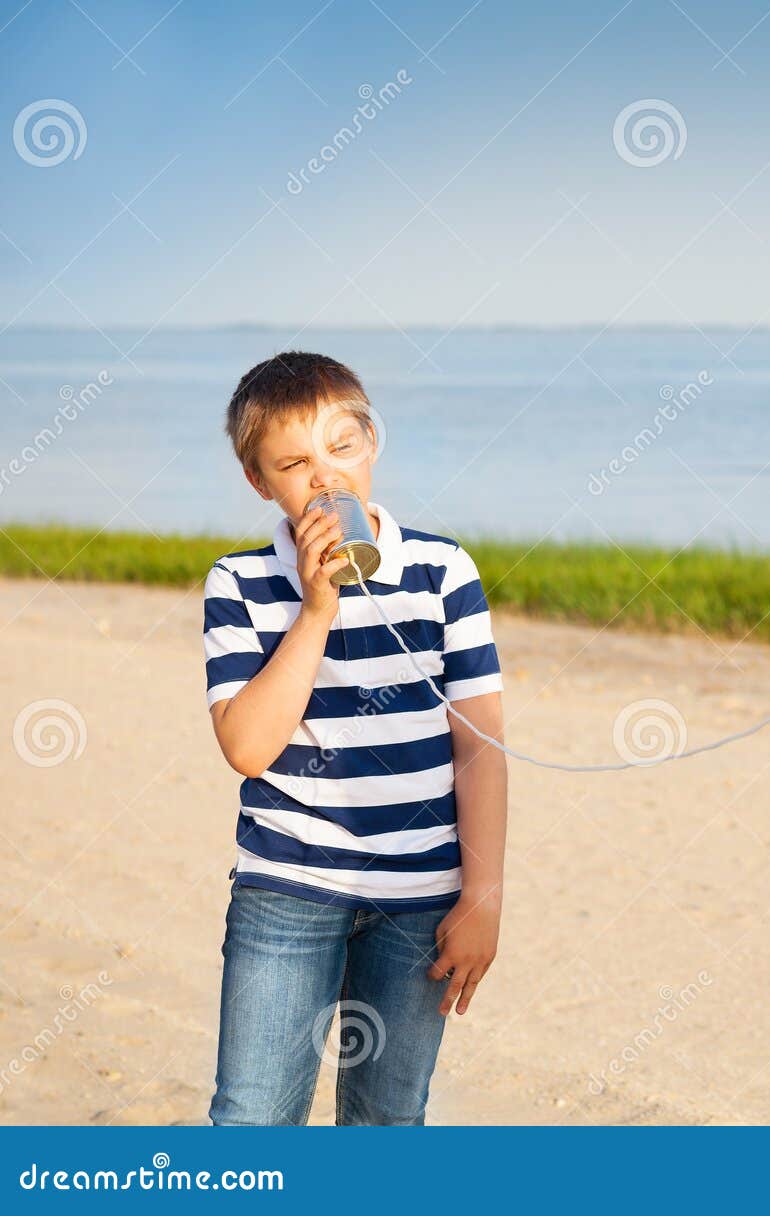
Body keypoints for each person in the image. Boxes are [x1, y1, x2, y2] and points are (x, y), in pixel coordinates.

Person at [201, 352, 508, 1124]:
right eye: (295, 464)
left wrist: (483, 895)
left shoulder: (443, 570)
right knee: (252, 1116)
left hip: (419, 901)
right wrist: (315, 611)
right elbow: (246, 748)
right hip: (288, 890)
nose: (326, 479)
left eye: (342, 448)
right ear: (259, 481)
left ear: (372, 444)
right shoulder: (237, 584)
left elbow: (480, 747)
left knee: (386, 1120)